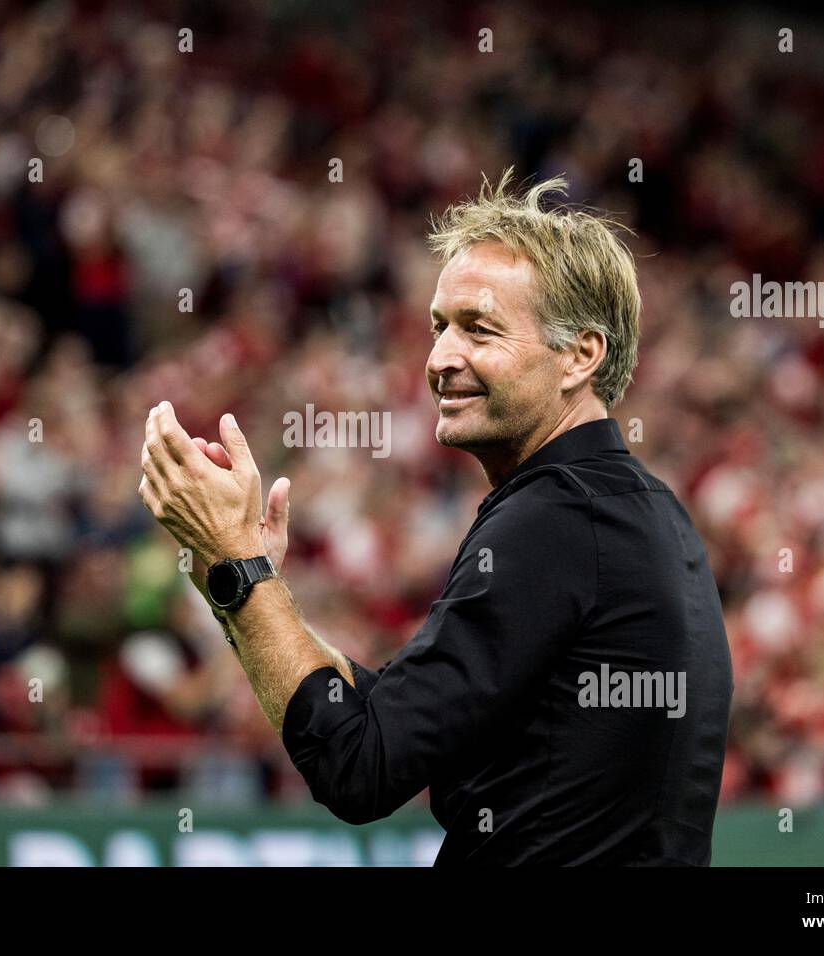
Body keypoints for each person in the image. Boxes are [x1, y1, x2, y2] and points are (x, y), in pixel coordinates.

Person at [138, 170, 734, 865]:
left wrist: (236, 564)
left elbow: (358, 766)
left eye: (479, 329)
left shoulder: (555, 518)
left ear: (581, 354)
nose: (441, 358)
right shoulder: (642, 511)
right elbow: (387, 712)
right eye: (438, 327)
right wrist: (247, 577)